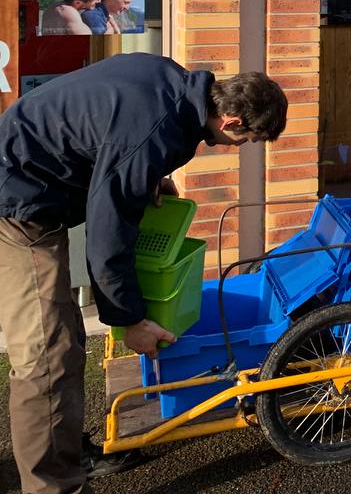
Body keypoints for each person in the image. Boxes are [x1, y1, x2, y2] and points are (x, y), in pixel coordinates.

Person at [0, 55, 289, 494]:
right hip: (17, 211)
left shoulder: (172, 81)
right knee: (47, 357)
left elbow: (111, 133)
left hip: (34, 185)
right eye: (247, 139)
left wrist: (149, 174)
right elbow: (107, 233)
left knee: (66, 338)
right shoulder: (154, 130)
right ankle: (52, 487)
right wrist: (127, 319)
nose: (240, 147)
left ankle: (69, 452)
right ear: (230, 121)